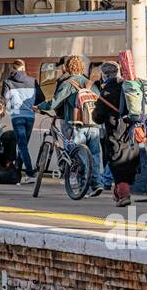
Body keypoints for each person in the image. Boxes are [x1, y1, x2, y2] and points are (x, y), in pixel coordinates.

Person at [34, 55, 104, 197]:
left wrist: (39, 106)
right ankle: (97, 184)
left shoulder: (68, 83)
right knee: (95, 155)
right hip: (93, 125)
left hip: (75, 124)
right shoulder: (90, 83)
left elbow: (54, 103)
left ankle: (83, 185)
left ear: (67, 68)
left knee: (78, 156)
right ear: (82, 67)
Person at [1, 59, 45, 185]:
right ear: (23, 68)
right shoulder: (32, 81)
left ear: (13, 68)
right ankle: (17, 175)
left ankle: (30, 173)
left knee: (22, 146)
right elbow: (41, 98)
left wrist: (10, 106)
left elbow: (4, 99)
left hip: (17, 116)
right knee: (23, 145)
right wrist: (30, 105)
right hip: (30, 117)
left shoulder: (8, 82)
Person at [92, 61, 126, 201]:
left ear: (105, 75)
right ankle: (120, 192)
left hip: (114, 129)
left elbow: (98, 117)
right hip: (130, 128)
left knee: (115, 158)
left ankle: (115, 189)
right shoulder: (127, 86)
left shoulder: (107, 91)